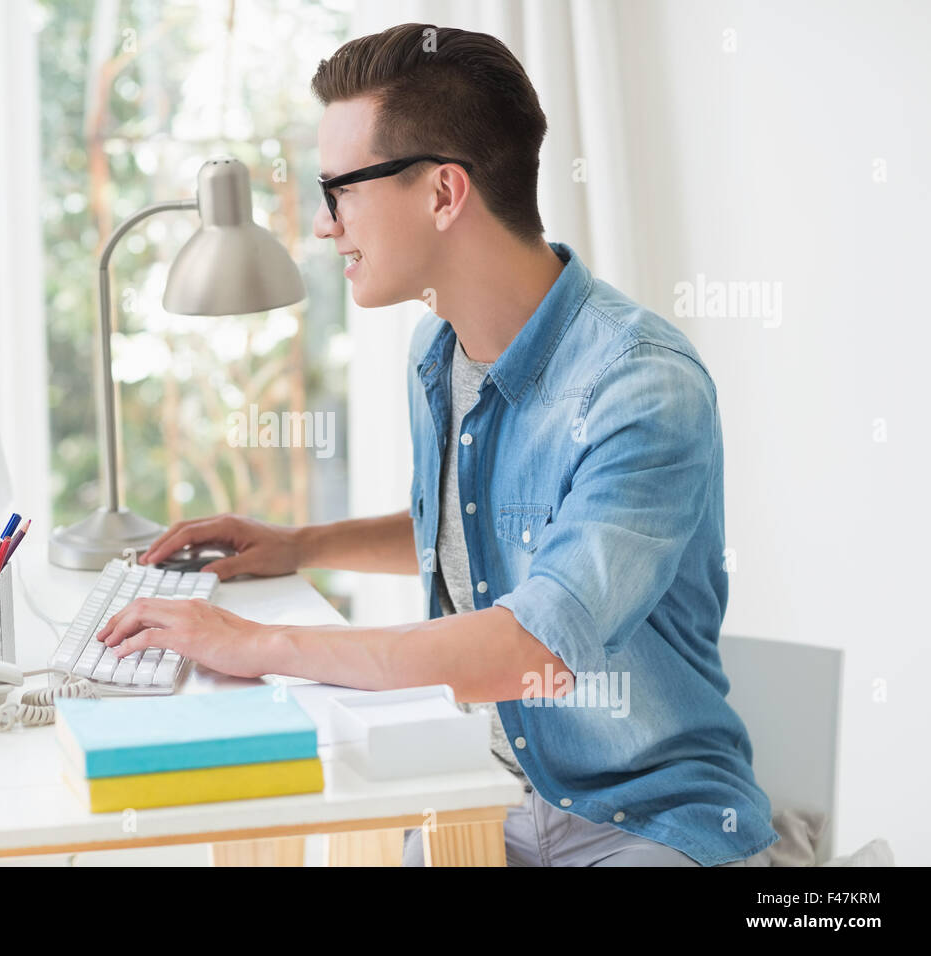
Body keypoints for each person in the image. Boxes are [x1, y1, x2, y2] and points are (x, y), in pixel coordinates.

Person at [95, 23, 778, 867]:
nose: (321, 224)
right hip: (484, 794)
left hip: (643, 821)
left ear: (444, 193)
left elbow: (531, 647)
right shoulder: (439, 351)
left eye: (337, 188)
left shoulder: (641, 386)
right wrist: (301, 546)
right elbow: (473, 521)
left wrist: (254, 643)